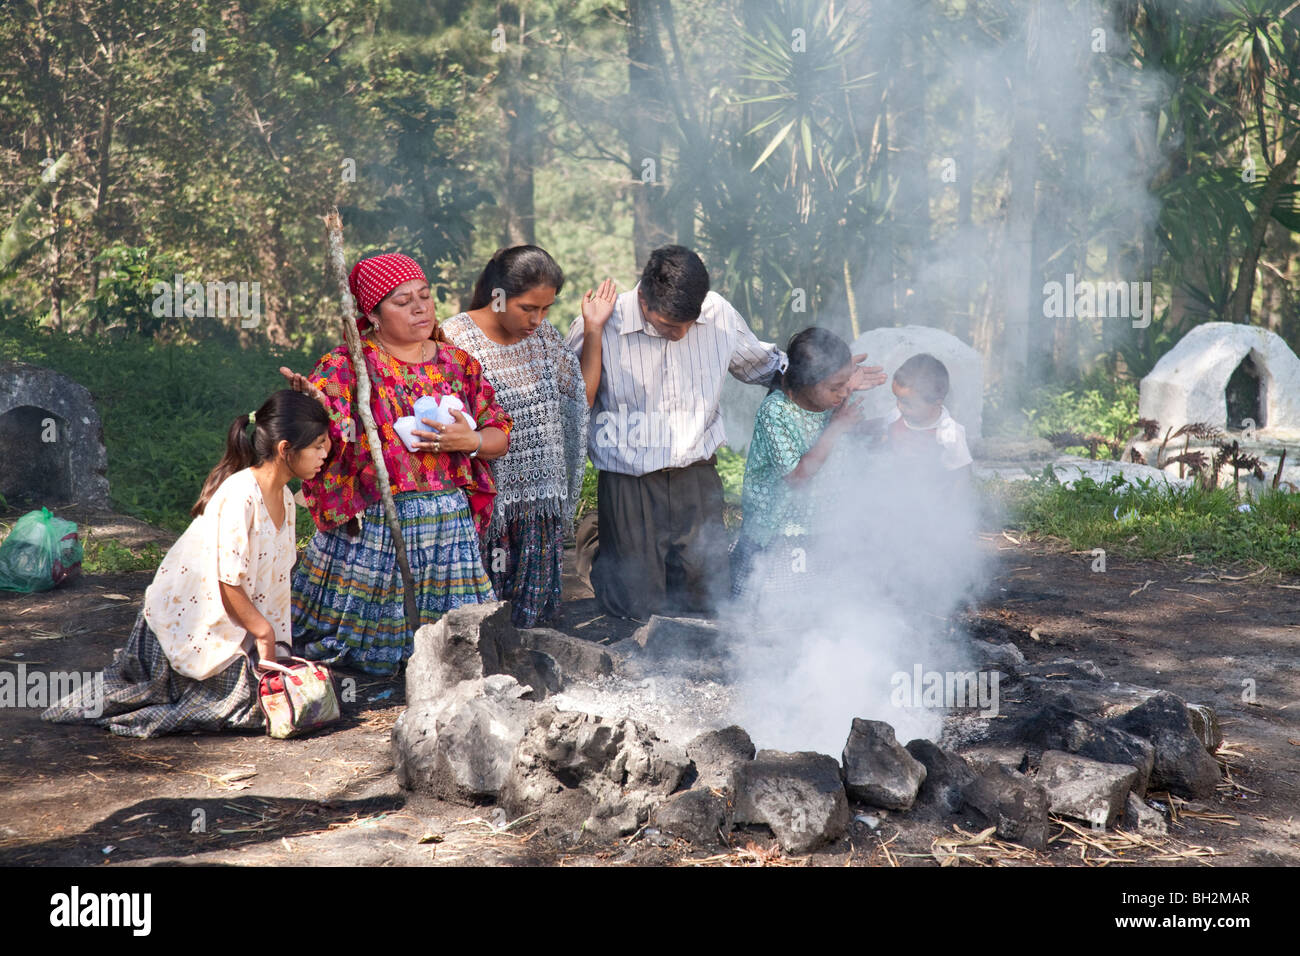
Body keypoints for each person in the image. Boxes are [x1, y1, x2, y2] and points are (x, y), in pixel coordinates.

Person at [42, 390, 332, 737]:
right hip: (194, 625)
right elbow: (229, 581)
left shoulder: (285, 497)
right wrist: (264, 633)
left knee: (283, 703)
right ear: (286, 449)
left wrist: (271, 648)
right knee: (245, 709)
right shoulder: (241, 495)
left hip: (239, 624)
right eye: (318, 445)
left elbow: (275, 583)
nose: (325, 454)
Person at [280, 253, 513, 676]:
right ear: (372, 313)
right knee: (364, 659)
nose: (420, 307)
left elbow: (499, 433)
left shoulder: (458, 365)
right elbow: (323, 444)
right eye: (402, 301)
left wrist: (472, 440)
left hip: (448, 528)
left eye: (424, 296)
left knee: (453, 655)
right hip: (377, 527)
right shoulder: (348, 366)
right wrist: (313, 408)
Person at [565, 244, 789, 620]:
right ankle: (597, 542)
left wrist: (824, 373)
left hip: (696, 477)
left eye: (689, 324)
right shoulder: (603, 321)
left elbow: (765, 366)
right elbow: (568, 398)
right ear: (643, 300)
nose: (682, 334)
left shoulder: (718, 313)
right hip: (629, 482)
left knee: (705, 598)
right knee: (634, 606)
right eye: (670, 325)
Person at [440, 246, 615, 627]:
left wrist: (593, 330)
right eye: (528, 308)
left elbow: (579, 401)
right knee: (485, 616)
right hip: (489, 506)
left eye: (546, 308)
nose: (537, 319)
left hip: (541, 506)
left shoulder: (545, 339)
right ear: (498, 295)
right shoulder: (453, 339)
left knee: (535, 626)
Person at [732, 328, 886, 598]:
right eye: (835, 387)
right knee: (769, 608)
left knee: (814, 607)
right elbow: (797, 476)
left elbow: (843, 449)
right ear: (805, 381)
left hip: (821, 525)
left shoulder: (831, 405)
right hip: (777, 531)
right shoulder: (776, 411)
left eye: (845, 383)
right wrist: (837, 428)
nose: (842, 393)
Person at [881, 353, 973, 476]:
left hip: (931, 492)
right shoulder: (897, 415)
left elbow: (962, 473)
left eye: (908, 404)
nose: (899, 406)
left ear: (936, 402)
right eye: (897, 399)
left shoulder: (949, 433)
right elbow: (879, 430)